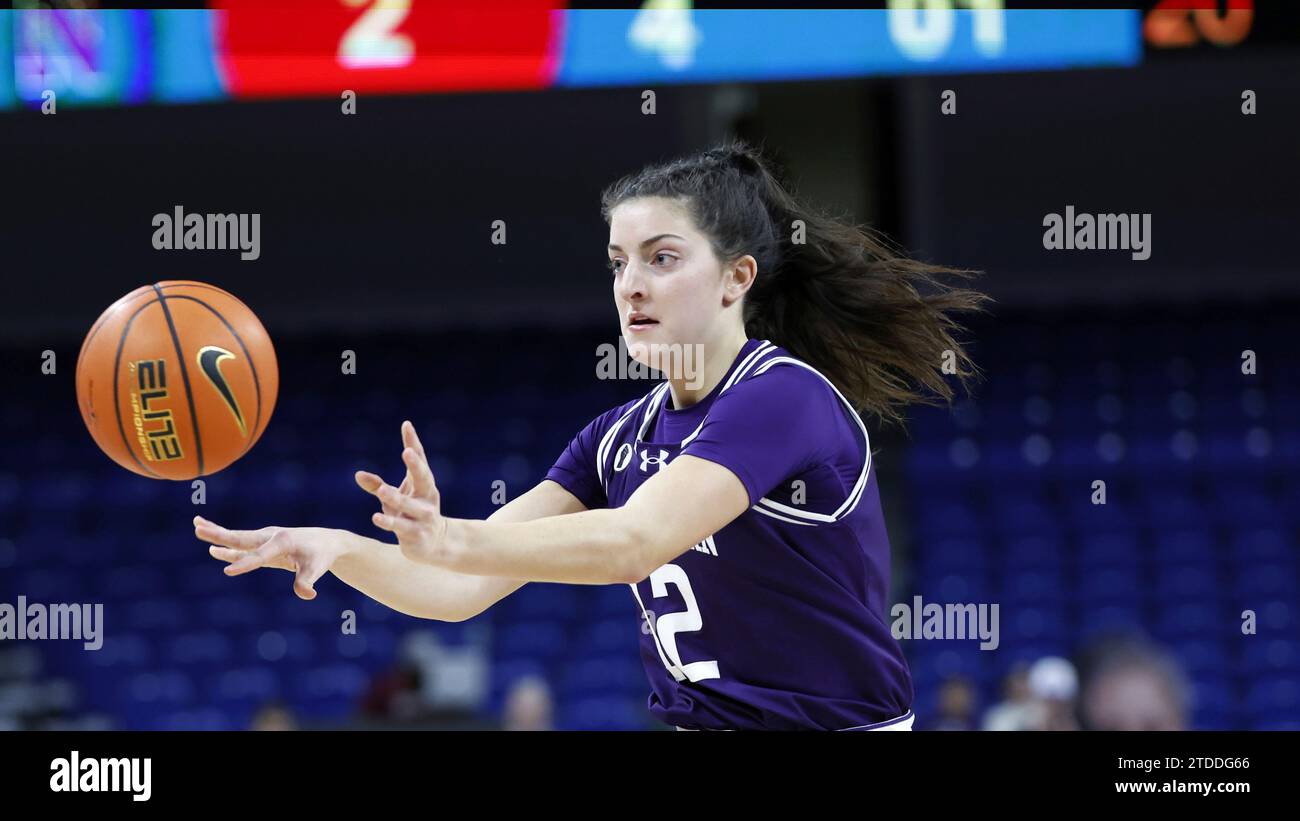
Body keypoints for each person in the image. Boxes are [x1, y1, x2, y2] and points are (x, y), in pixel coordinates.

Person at [194, 140, 987, 730]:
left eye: (662, 257)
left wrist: (455, 539)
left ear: (736, 279)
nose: (631, 284)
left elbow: (633, 544)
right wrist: (339, 549)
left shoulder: (782, 399)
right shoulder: (617, 438)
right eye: (618, 262)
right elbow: (453, 587)